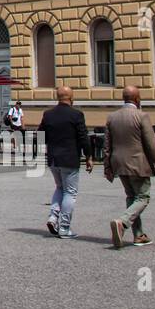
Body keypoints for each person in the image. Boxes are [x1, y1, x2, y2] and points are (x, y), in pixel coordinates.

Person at [104, 84, 155, 248]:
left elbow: (107, 145)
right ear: (137, 99)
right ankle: (122, 222)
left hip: (118, 163)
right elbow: (151, 144)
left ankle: (138, 234)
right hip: (138, 163)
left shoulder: (112, 117)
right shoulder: (141, 116)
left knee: (131, 197)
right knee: (142, 197)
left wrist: (107, 167)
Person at [38, 85, 92, 238]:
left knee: (60, 188)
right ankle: (64, 228)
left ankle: (53, 217)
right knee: (70, 192)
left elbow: (41, 134)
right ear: (71, 98)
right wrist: (88, 156)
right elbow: (83, 137)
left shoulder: (48, 114)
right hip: (69, 158)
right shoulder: (76, 115)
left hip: (53, 158)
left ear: (58, 97)